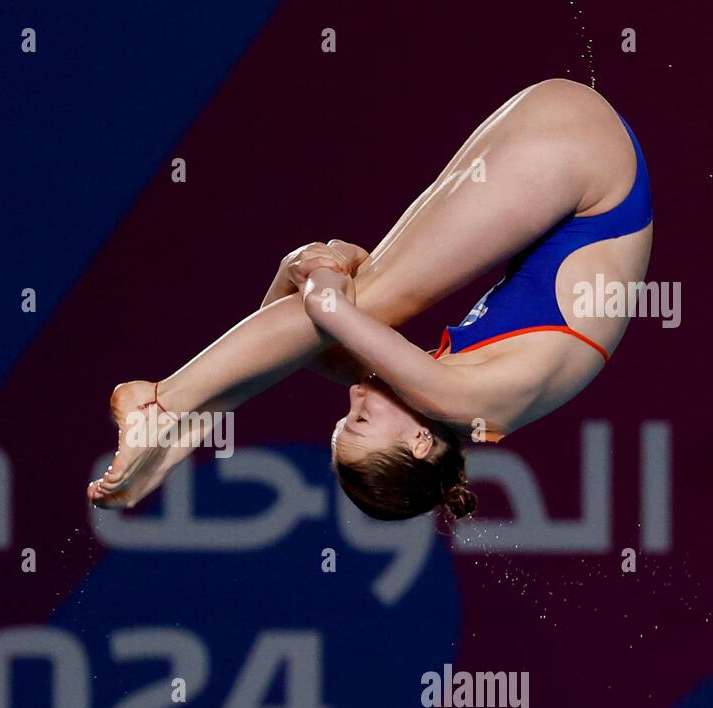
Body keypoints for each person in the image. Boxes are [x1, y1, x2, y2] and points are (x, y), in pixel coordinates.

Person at [88, 78, 652, 520]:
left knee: (342, 335)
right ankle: (164, 405)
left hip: (575, 143)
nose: (358, 394)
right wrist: (321, 273)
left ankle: (192, 414)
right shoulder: (460, 397)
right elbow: (327, 308)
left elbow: (318, 339)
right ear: (420, 442)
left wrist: (310, 272)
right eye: (360, 419)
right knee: (369, 302)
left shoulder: (463, 412)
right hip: (583, 163)